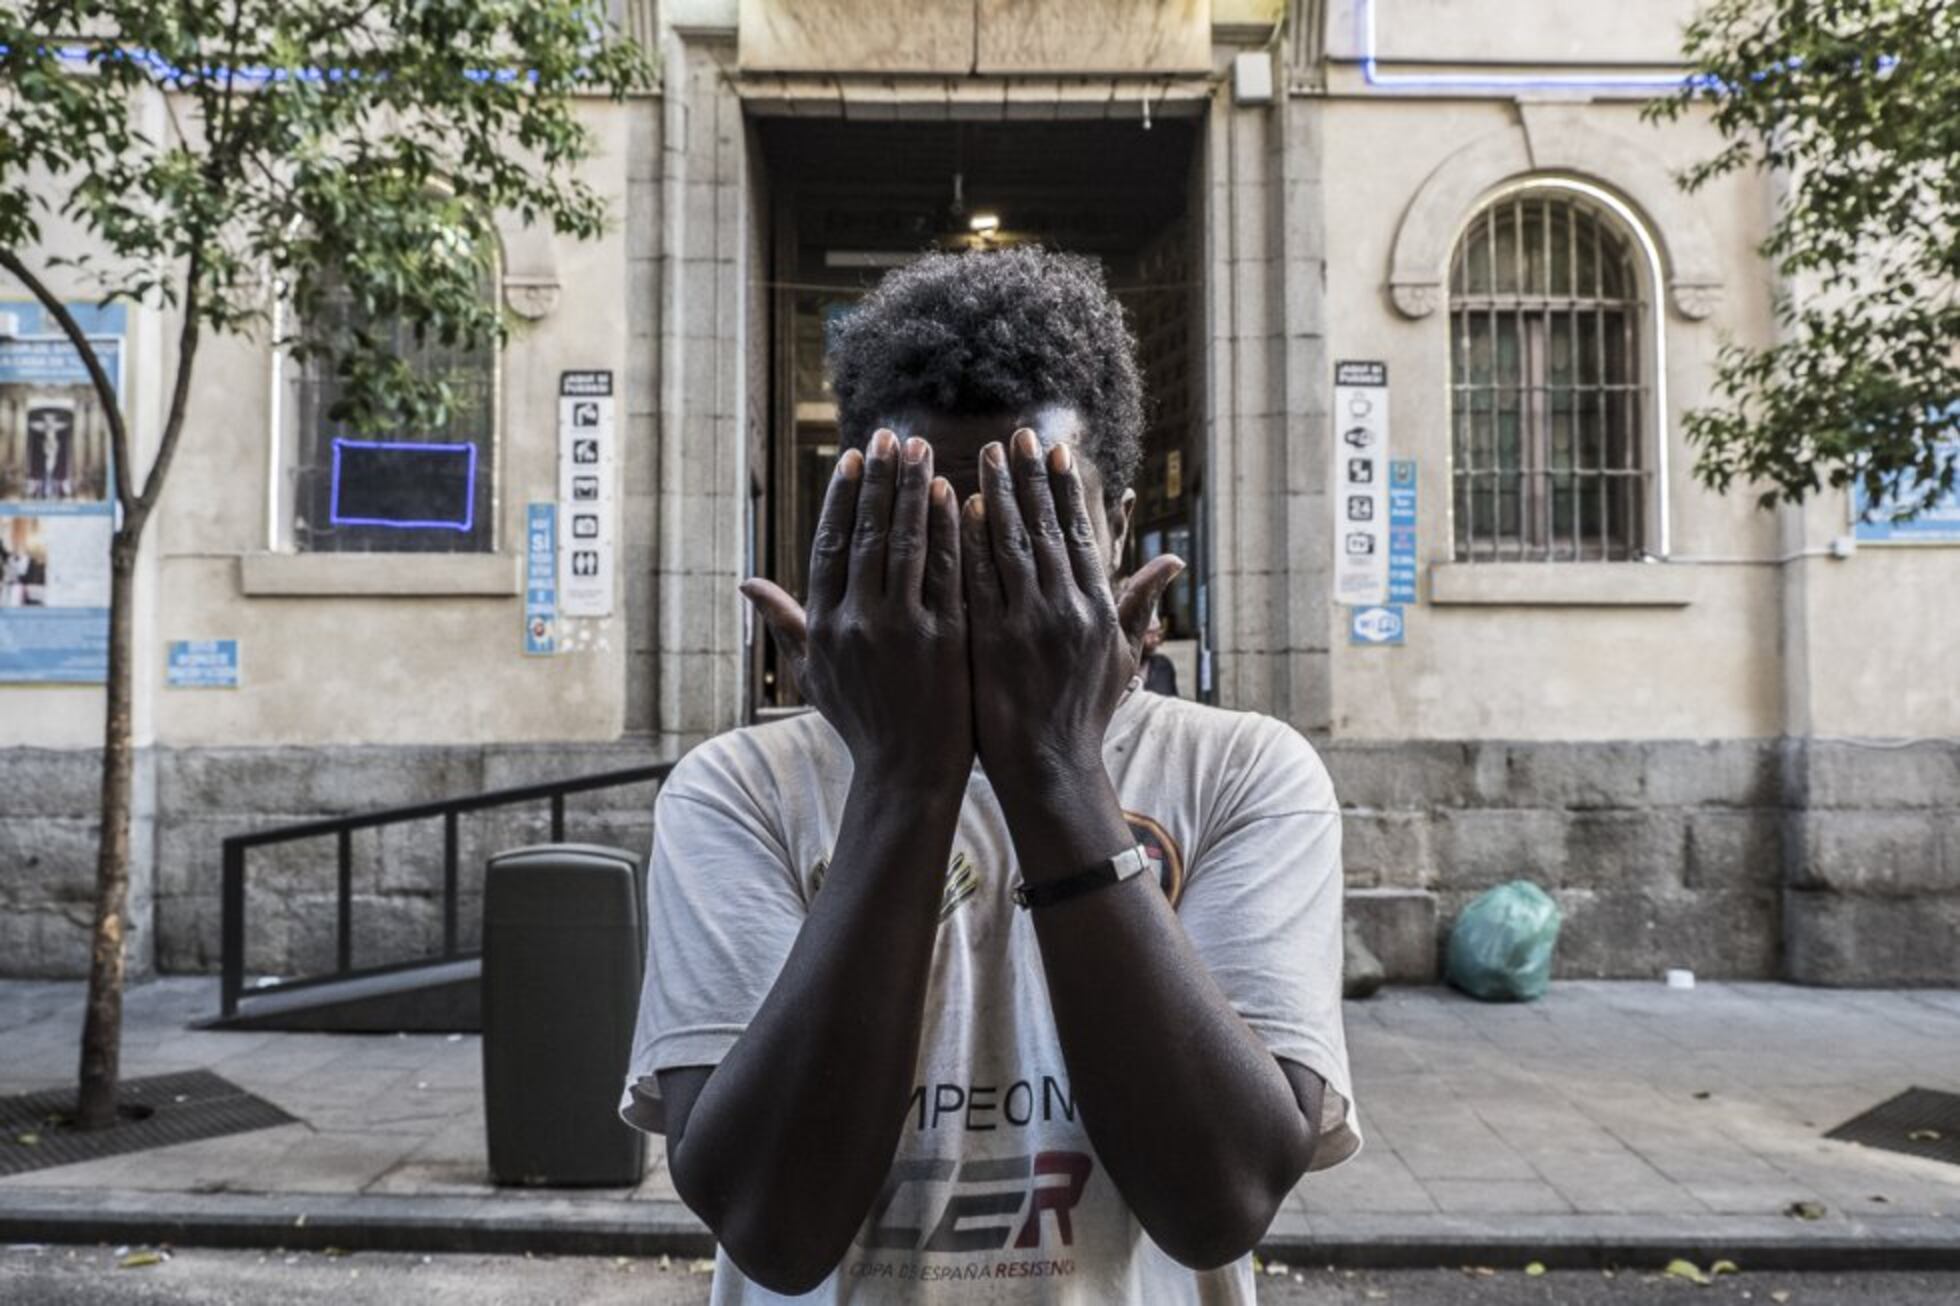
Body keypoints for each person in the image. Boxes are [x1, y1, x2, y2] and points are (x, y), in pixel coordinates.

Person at [620, 246, 1357, 1303]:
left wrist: (1049, 764)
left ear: (1115, 532)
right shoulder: (738, 789)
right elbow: (774, 1231)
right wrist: (907, 775)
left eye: (1033, 522)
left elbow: (1217, 1202)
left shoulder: (1239, 772)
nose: (982, 567)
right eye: (933, 521)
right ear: (854, 528)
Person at [1140, 607, 1178, 697]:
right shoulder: (1120, 670)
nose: (1156, 639)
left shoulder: (1163, 666)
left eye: (1158, 633)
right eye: (1150, 633)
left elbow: (1172, 704)